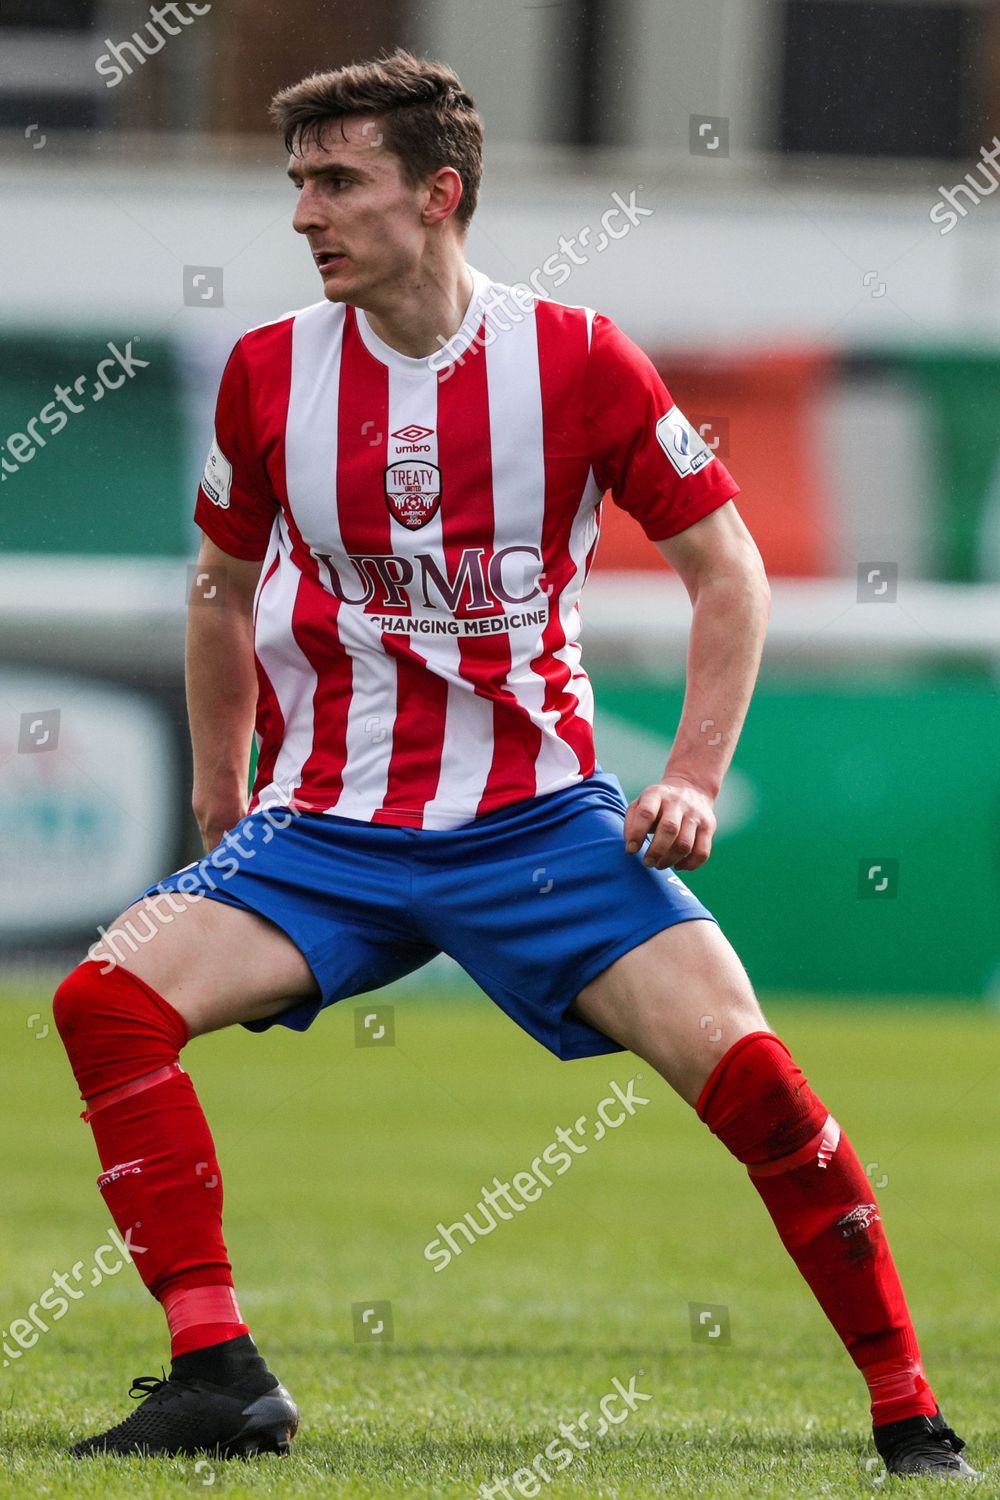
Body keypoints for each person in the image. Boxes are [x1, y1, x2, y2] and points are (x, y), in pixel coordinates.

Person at [52, 49, 974, 1480]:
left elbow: (729, 575)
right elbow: (220, 592)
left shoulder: (580, 359)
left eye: (339, 181)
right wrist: (222, 805)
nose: (306, 214)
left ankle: (912, 1416)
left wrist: (690, 775)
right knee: (107, 1002)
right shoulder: (264, 375)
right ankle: (217, 1374)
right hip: (328, 830)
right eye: (297, 182)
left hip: (537, 825)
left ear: (440, 194)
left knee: (761, 1088)